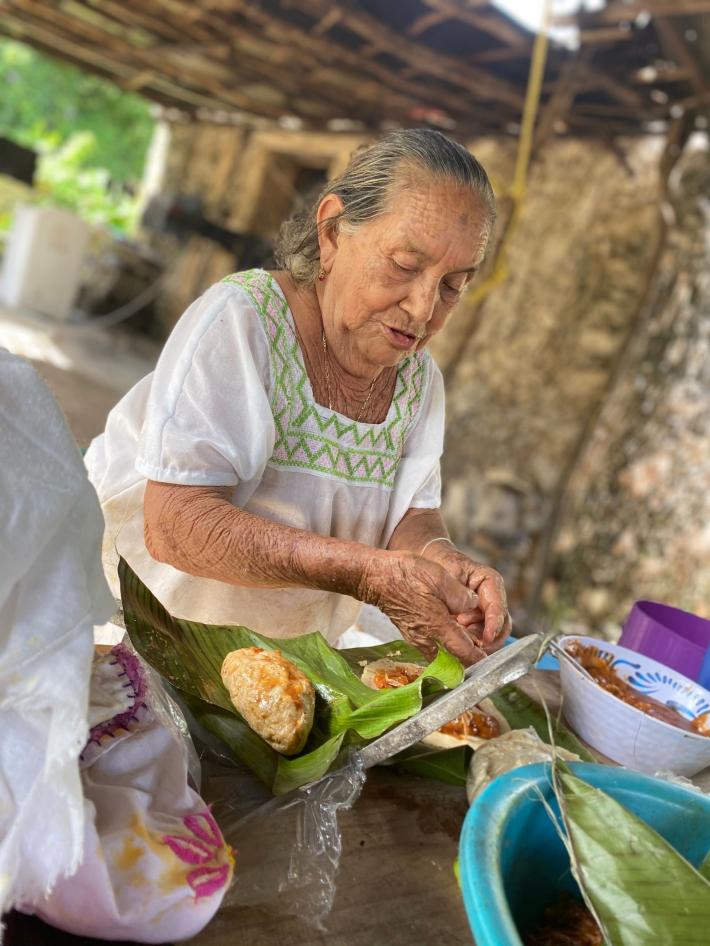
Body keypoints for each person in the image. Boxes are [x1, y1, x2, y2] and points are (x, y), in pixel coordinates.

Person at [87, 129, 511, 666]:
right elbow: (176, 524)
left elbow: (410, 517)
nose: (425, 308)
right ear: (332, 232)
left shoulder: (418, 380)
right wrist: (364, 572)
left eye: (453, 285)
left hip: (282, 672)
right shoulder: (242, 322)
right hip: (138, 642)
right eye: (404, 265)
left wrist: (441, 561)